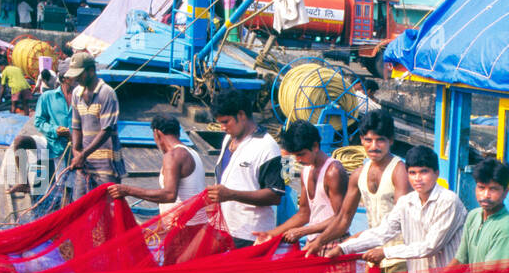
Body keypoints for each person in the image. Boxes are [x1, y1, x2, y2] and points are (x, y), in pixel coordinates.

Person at [326, 145, 465, 273]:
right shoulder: (406, 202)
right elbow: (383, 232)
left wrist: (385, 252)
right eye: (412, 173)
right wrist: (343, 248)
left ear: (436, 173)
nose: (418, 178)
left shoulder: (448, 201)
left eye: (424, 172)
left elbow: (431, 246)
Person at [305, 108, 408, 264]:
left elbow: (400, 221)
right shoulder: (358, 175)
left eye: (380, 140)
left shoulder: (399, 171)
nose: (374, 146)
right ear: (361, 140)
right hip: (373, 255)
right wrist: (319, 242)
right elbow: (343, 219)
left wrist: (351, 243)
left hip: (401, 257)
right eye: (368, 140)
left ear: (391, 140)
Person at [204, 89, 285, 248]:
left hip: (250, 235)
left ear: (241, 115)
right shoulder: (229, 139)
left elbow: (275, 195)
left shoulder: (267, 147)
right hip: (225, 228)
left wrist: (231, 194)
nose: (222, 127)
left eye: (225, 122)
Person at [109, 114, 207, 233]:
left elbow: (169, 195)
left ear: (157, 133)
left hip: (184, 229)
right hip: (191, 225)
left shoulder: (172, 156)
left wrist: (127, 190)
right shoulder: (192, 153)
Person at [256, 119, 348, 245]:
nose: (298, 160)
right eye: (295, 156)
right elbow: (304, 214)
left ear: (315, 146)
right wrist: (271, 234)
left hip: (334, 243)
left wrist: (303, 231)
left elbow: (341, 218)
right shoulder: (306, 171)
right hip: (313, 242)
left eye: (301, 154)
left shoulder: (333, 172)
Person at [66, 51, 125, 197]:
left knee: (106, 204)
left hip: (106, 162)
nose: (76, 78)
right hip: (85, 160)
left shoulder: (107, 93)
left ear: (91, 70)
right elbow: (76, 127)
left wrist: (83, 155)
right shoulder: (76, 93)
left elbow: (106, 130)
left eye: (80, 74)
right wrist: (76, 151)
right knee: (79, 202)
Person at [454, 158, 509, 265]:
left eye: (493, 189)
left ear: (505, 192)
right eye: (481, 188)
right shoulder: (473, 215)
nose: (486, 195)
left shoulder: (506, 228)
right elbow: (460, 259)